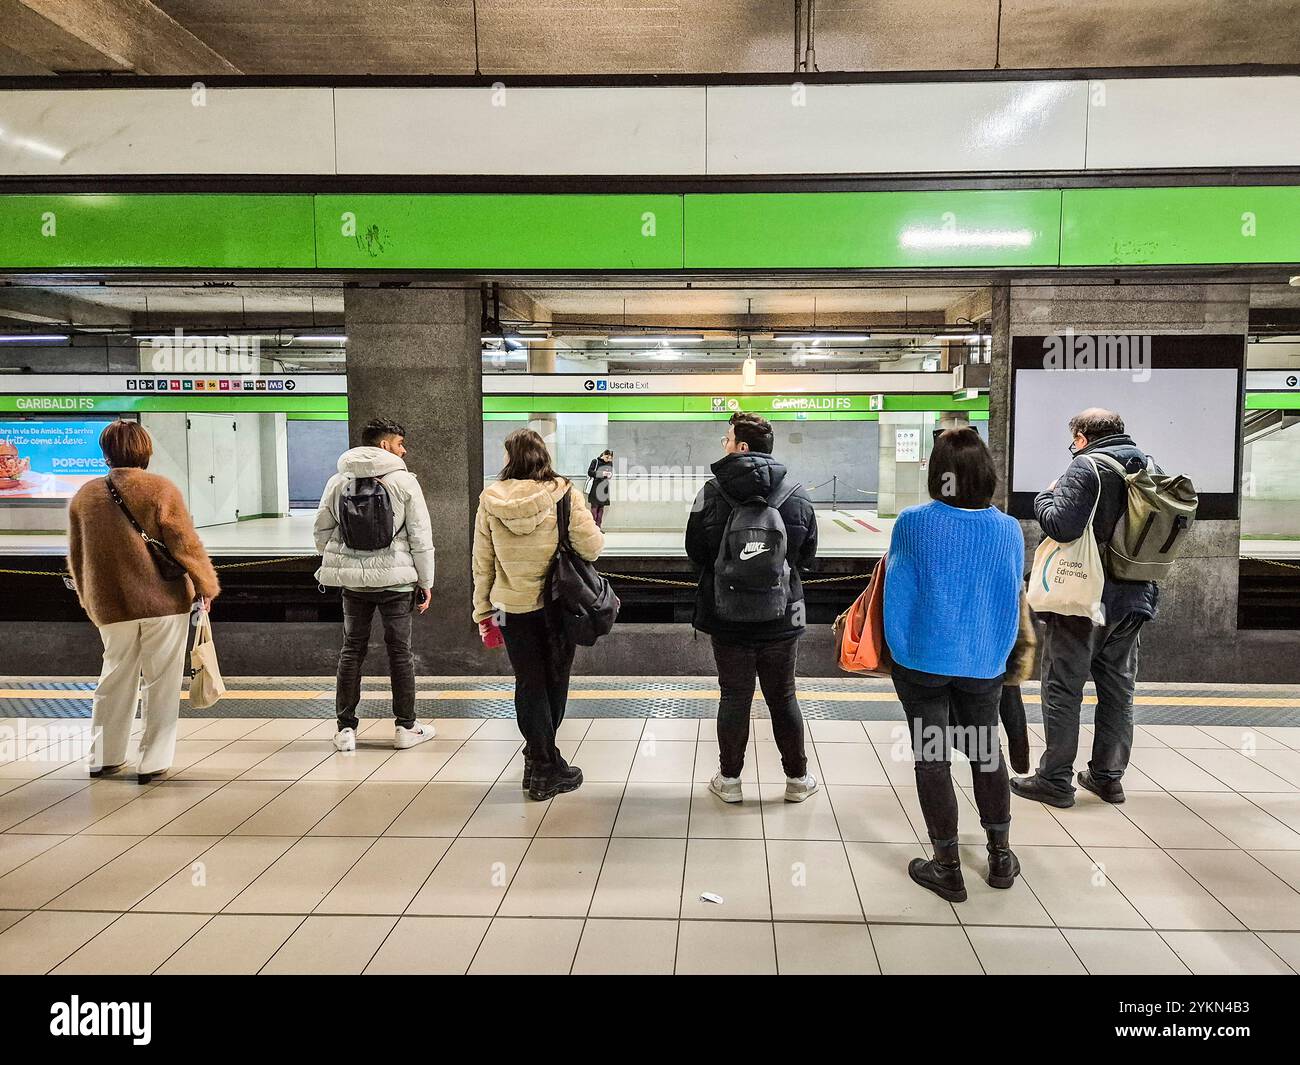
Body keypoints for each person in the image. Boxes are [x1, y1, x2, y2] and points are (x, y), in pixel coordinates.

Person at [884, 427, 1024, 902]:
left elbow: (897, 597)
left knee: (933, 757)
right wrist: (995, 655)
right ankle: (1000, 856)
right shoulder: (1007, 529)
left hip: (922, 662)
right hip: (983, 664)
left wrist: (901, 652)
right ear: (986, 474)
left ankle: (946, 866)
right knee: (986, 752)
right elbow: (1011, 600)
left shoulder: (913, 523)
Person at [1011, 408, 1158, 809]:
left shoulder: (1086, 467)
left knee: (1063, 687)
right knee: (1118, 690)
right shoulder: (1147, 465)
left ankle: (1055, 779)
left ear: (1081, 435)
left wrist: (1044, 497)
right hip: (1135, 597)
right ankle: (1108, 777)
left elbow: (1062, 526)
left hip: (1084, 598)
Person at [67, 419, 220, 784]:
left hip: (111, 605)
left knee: (114, 677)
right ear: (145, 450)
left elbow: (76, 555)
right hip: (163, 603)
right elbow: (185, 544)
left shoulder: (86, 495)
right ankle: (152, 761)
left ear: (105, 453)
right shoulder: (160, 490)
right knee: (161, 681)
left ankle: (103, 757)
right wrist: (205, 586)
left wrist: (91, 600)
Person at [686, 411, 819, 804]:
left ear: (742, 447)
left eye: (727, 439)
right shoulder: (797, 493)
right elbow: (808, 556)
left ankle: (729, 781)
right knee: (784, 697)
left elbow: (695, 552)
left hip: (726, 615)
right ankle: (797, 780)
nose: (723, 445)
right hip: (782, 615)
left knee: (734, 696)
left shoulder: (709, 493)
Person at [473, 427, 604, 801]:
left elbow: (482, 562)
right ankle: (546, 768)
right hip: (556, 605)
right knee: (555, 681)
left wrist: (482, 610)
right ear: (541, 456)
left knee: (529, 683)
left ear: (510, 458)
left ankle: (537, 757)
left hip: (510, 608)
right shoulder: (564, 493)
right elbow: (592, 548)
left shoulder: (490, 500)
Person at [316, 417, 437, 753]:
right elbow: (420, 537)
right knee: (400, 652)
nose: (404, 449)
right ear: (385, 445)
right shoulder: (404, 482)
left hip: (353, 586)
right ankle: (405, 727)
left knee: (352, 649)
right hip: (397, 583)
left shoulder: (338, 481)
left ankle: (345, 730)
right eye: (400, 443)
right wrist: (425, 582)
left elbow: (321, 531)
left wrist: (344, 561)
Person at [586, 449, 614, 527]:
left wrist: (609, 475)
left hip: (604, 487)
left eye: (610, 458)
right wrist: (601, 473)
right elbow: (590, 472)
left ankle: (598, 527)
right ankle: (593, 527)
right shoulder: (595, 461)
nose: (608, 459)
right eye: (607, 457)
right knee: (594, 507)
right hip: (595, 486)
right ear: (603, 455)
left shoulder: (610, 463)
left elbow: (610, 473)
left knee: (601, 508)